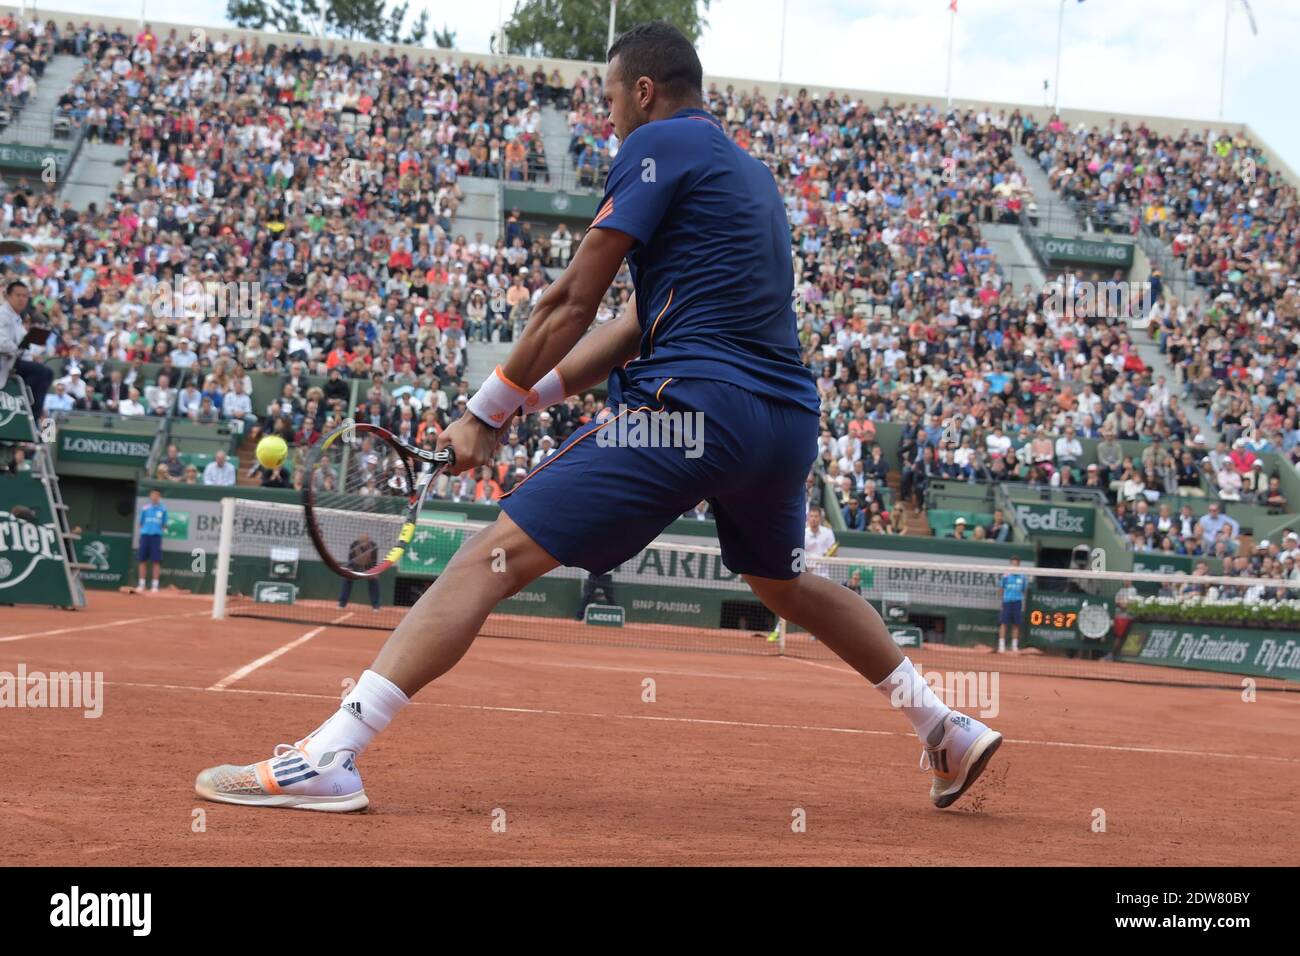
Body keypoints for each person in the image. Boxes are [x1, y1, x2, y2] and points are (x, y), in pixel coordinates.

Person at [196, 23, 1001, 814]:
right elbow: (631, 326)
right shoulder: (750, 177)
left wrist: (486, 409)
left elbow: (572, 299)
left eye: (609, 97)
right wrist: (529, 402)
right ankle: (944, 724)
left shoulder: (659, 147)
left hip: (692, 412)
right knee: (784, 585)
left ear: (643, 91)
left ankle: (332, 756)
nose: (605, 115)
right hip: (784, 424)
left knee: (489, 558)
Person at [0, 280, 53, 419]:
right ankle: (28, 413)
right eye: (18, 295)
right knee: (43, 373)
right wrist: (18, 351)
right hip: (4, 363)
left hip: (13, 362)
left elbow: (24, 344)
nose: (22, 299)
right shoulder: (2, 315)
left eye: (25, 296)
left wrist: (31, 356)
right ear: (8, 296)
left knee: (43, 371)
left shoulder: (16, 318)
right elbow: (2, 343)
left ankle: (30, 413)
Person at [338, 533, 381, 611]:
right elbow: (350, 559)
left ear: (368, 541)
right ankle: (342, 604)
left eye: (365, 541)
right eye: (361, 541)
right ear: (359, 541)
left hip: (368, 567)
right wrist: (350, 569)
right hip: (355, 566)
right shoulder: (354, 545)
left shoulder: (374, 546)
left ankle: (376, 606)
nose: (363, 543)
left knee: (374, 580)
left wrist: (373, 572)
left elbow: (374, 561)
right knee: (347, 579)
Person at [137, 488, 167, 593]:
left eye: (157, 495)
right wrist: (146, 530)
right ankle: (141, 584)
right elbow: (140, 523)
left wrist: (157, 530)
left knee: (156, 561)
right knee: (142, 560)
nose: (155, 497)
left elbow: (164, 525)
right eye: (153, 495)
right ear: (150, 496)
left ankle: (155, 585)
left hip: (156, 537)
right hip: (145, 536)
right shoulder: (145, 509)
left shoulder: (163, 509)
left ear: (160, 497)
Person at [998, 556, 1027, 654]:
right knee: (1003, 623)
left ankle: (1014, 646)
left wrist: (1019, 597)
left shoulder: (1022, 576)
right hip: (1007, 602)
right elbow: (1001, 588)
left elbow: (1024, 589)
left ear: (1019, 564)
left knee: (1016, 624)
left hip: (1017, 602)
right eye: (1013, 563)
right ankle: (1001, 646)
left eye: (1016, 563)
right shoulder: (1005, 576)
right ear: (1010, 564)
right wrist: (1002, 599)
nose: (1014, 565)